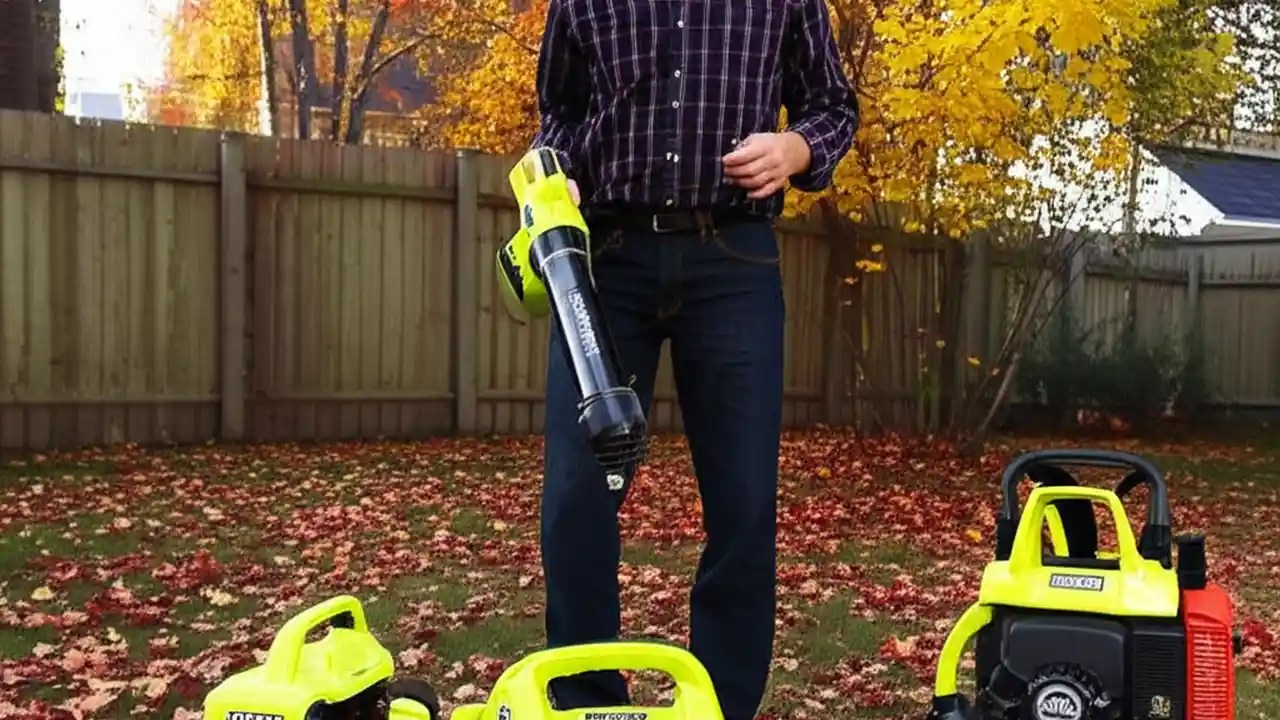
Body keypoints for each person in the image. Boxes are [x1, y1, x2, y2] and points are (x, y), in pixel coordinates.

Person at [531, 2, 859, 719]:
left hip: (733, 258)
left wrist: (794, 150)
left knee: (743, 505)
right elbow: (558, 109)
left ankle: (720, 705)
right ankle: (587, 701)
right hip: (606, 265)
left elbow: (832, 106)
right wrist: (558, 171)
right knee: (575, 503)